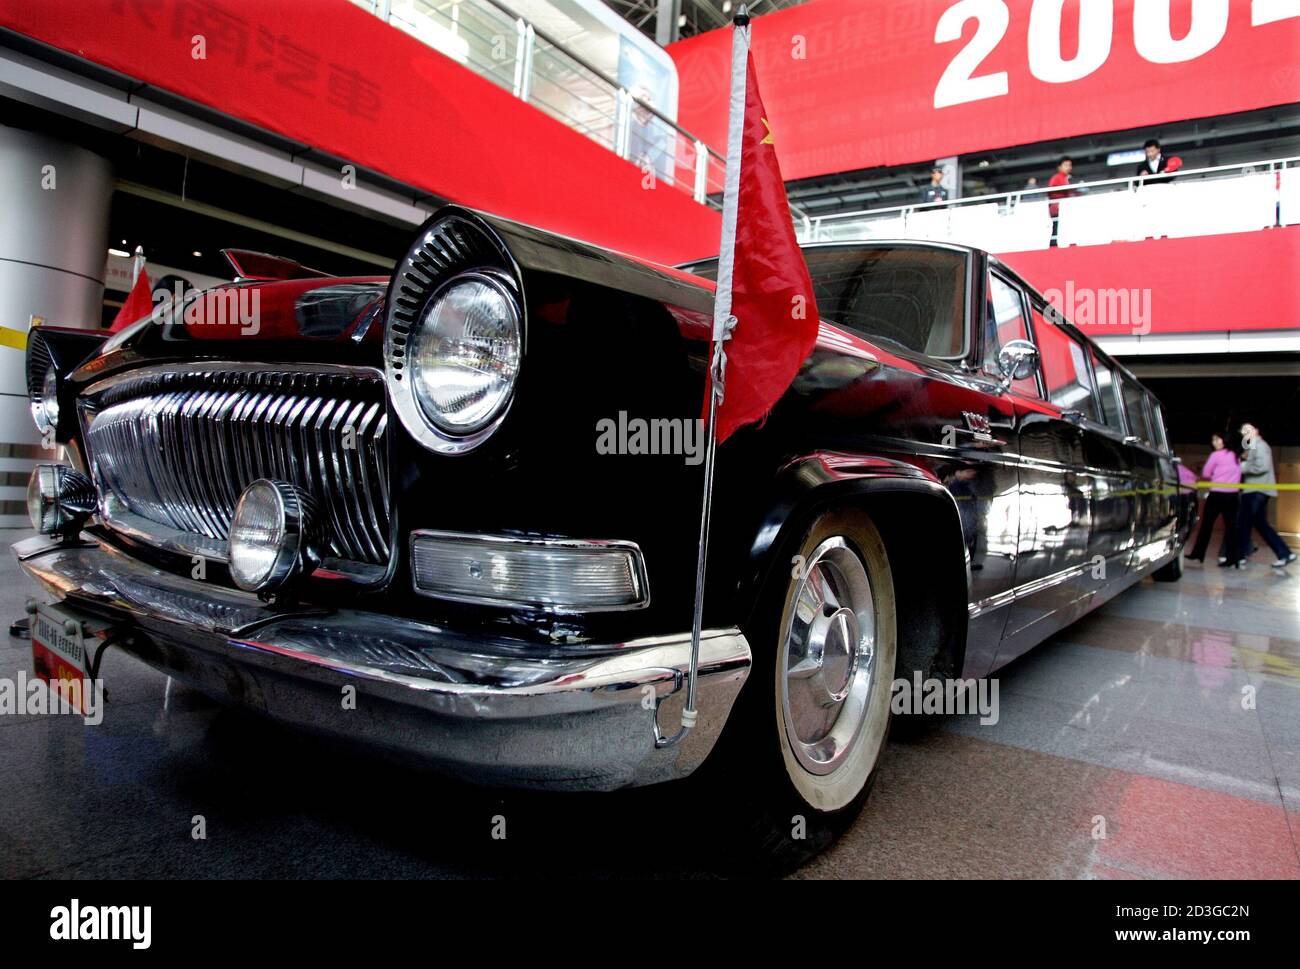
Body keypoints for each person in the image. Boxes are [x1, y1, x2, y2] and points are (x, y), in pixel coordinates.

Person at [1236, 422, 1296, 568]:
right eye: (1243, 432)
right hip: (1257, 490)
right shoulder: (1254, 446)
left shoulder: (1259, 445)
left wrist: (1241, 467)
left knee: (1244, 523)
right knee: (1260, 524)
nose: (1245, 434)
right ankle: (1285, 554)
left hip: (1256, 491)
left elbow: (1261, 466)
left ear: (1256, 430)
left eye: (1247, 430)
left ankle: (1239, 557)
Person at [1186, 433, 1241, 567]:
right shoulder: (1236, 455)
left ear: (1224, 441)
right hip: (1233, 496)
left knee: (1206, 526)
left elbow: (1205, 473)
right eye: (1213, 439)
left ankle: (1198, 554)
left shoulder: (1216, 455)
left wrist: (1216, 474)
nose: (1214, 442)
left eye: (1217, 439)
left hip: (1217, 495)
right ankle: (1233, 559)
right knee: (1231, 528)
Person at [1047, 157, 1079, 246]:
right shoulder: (1057, 178)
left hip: (1066, 208)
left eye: (1070, 165)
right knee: (1056, 229)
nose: (1068, 167)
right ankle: (1054, 246)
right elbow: (1051, 192)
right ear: (1059, 167)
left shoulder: (1067, 178)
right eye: (1066, 165)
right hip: (1058, 208)